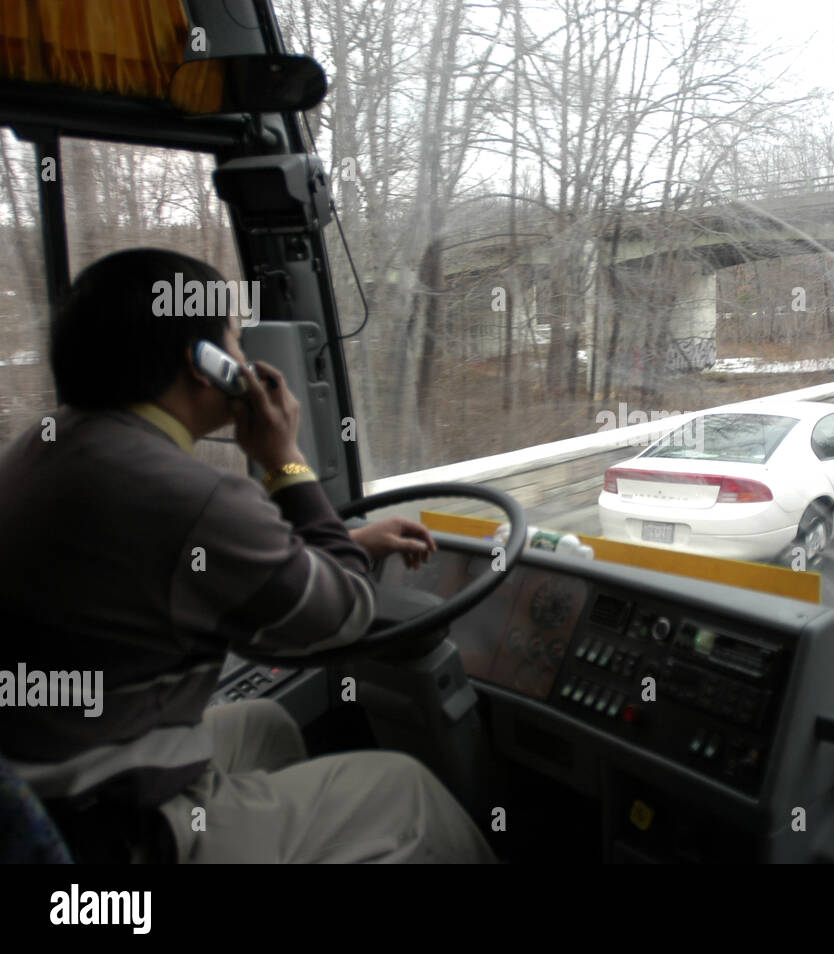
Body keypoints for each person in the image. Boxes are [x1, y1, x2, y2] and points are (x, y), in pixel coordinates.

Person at [0, 248, 495, 863]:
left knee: (265, 726)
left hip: (43, 774)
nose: (245, 364)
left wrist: (346, 544)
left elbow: (176, 579)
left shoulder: (39, 450)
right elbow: (343, 616)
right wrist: (282, 458)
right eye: (233, 344)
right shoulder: (187, 495)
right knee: (408, 792)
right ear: (203, 365)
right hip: (115, 833)